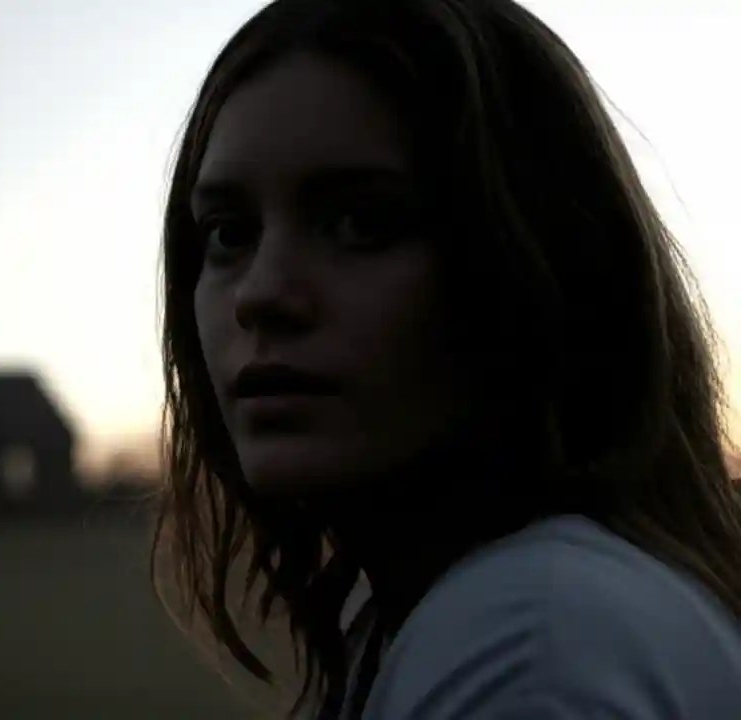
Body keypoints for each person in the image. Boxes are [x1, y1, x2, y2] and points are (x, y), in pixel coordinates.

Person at [149, 0, 741, 717]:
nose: (261, 295)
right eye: (227, 232)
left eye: (363, 222)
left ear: (543, 259)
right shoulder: (442, 610)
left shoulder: (531, 648)